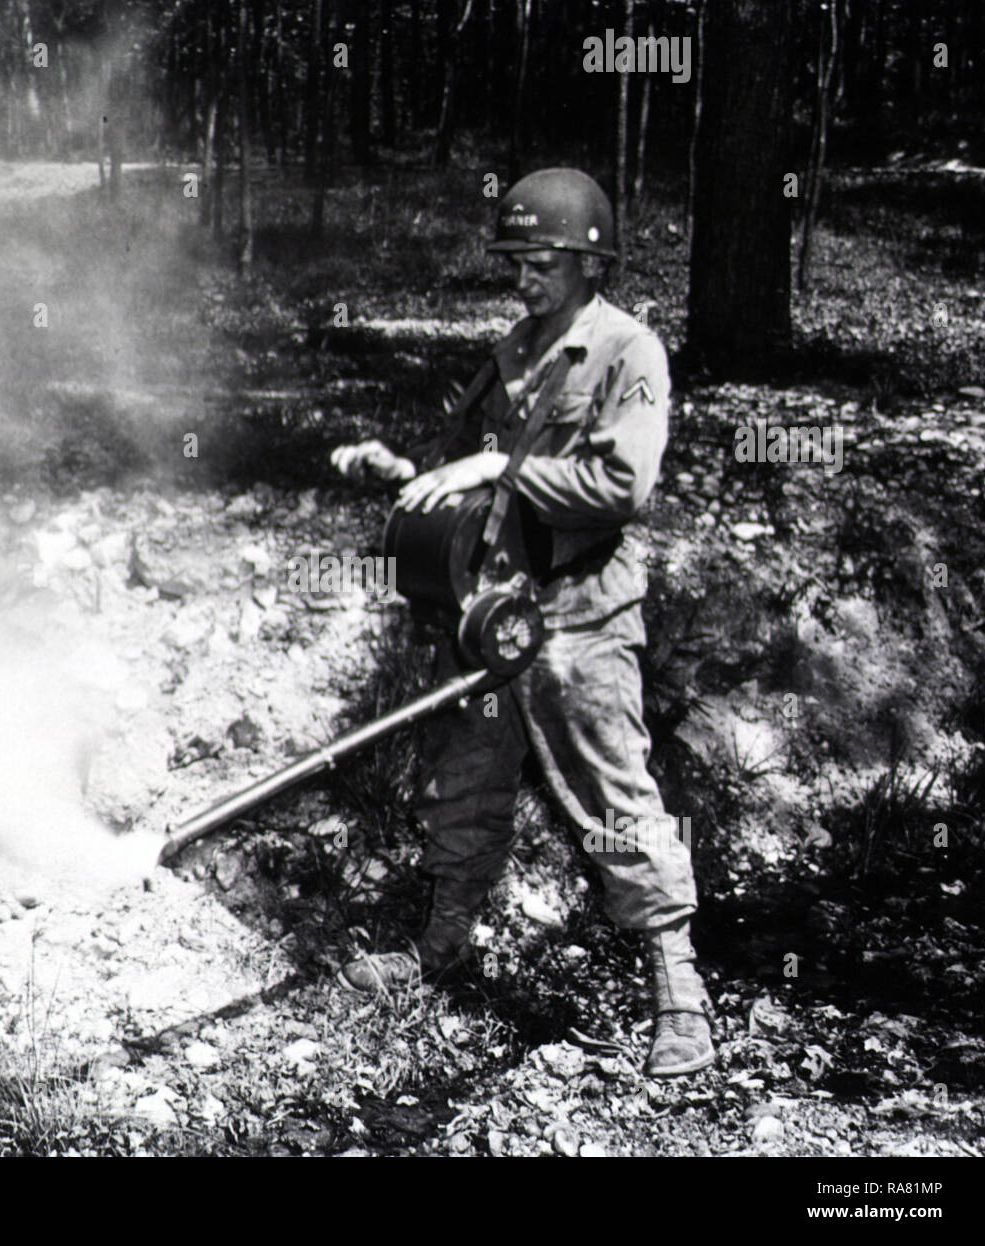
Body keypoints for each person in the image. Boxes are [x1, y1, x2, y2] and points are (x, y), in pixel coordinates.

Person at [330, 168, 714, 1078]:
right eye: (514, 261)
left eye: (538, 262)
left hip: (583, 615)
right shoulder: (514, 348)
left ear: (588, 262)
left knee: (617, 800)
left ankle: (681, 996)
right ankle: (444, 943)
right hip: (497, 612)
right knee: (465, 780)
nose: (521, 279)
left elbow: (624, 485)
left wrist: (498, 469)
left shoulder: (630, 353)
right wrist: (404, 469)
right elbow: (464, 468)